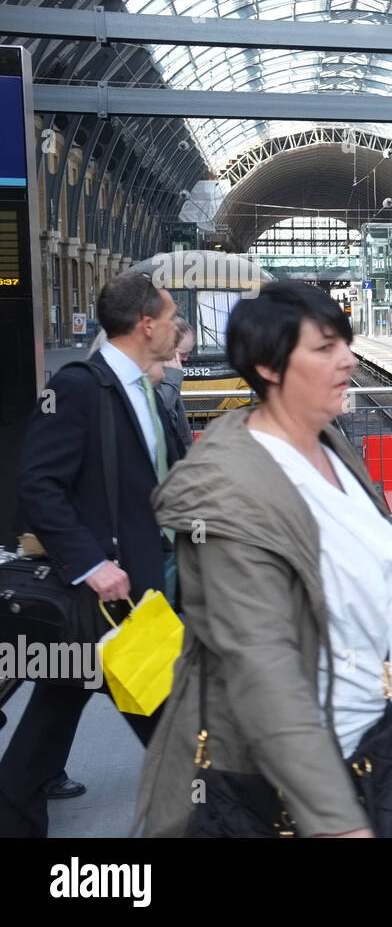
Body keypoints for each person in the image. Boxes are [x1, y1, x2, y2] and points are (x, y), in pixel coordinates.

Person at [136, 281, 392, 838]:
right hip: (281, 782)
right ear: (268, 368)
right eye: (324, 349)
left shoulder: (330, 447)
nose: (347, 358)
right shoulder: (232, 490)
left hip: (376, 742)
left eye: (343, 342)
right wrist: (338, 823)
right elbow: (261, 665)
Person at [0, 270, 181, 837]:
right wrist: (90, 563)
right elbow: (37, 484)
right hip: (109, 600)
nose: (178, 326)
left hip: (132, 592)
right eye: (172, 316)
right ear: (146, 324)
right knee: (174, 727)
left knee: (52, 716)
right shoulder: (81, 386)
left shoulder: (140, 388)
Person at [155, 317, 195, 451]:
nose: (186, 358)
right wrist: (172, 378)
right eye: (183, 354)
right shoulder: (168, 376)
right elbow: (161, 411)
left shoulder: (170, 374)